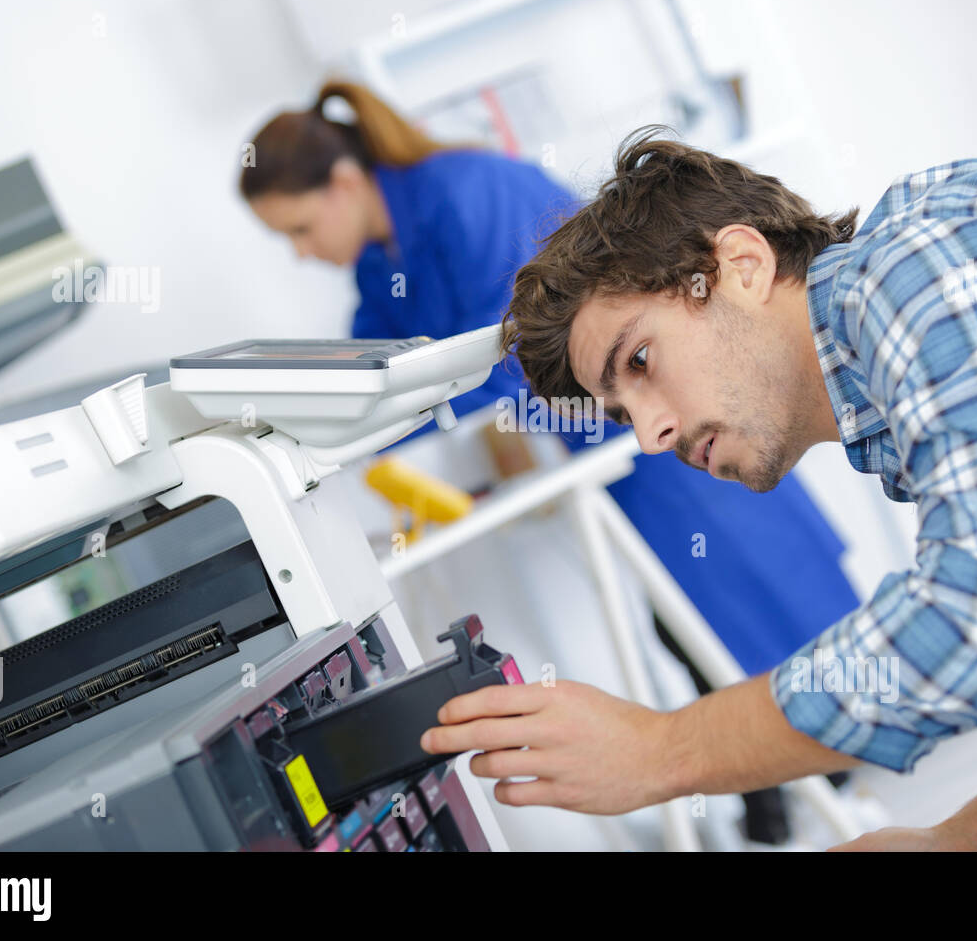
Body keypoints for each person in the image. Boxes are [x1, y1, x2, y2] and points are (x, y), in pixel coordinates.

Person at [419, 129, 977, 850]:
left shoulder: (914, 273)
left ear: (743, 267)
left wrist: (664, 750)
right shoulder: (904, 406)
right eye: (622, 413)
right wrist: (955, 845)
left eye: (643, 361)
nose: (651, 433)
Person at [240, 84, 860, 842]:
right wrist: (306, 432)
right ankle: (775, 782)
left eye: (300, 229)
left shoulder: (465, 194)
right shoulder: (381, 262)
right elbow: (378, 371)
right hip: (608, 441)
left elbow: (513, 361)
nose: (303, 251)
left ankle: (830, 755)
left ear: (341, 183)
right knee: (681, 613)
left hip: (661, 412)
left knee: (745, 585)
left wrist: (386, 433)